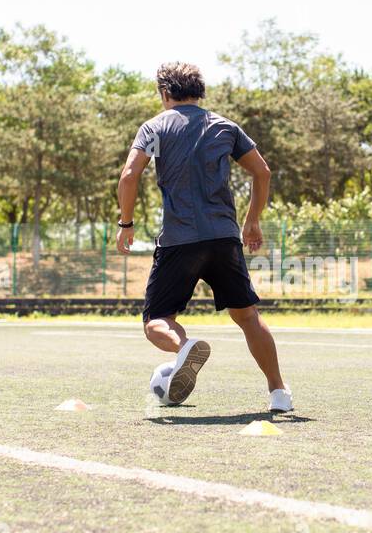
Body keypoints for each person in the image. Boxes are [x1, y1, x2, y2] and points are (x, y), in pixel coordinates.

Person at [115, 61, 292, 413]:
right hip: (224, 237)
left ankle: (184, 348)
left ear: (165, 93)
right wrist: (252, 221)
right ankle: (279, 393)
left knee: (156, 322)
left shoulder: (153, 127)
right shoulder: (225, 126)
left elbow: (129, 175)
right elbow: (262, 171)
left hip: (180, 241)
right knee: (248, 317)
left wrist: (126, 223)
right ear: (200, 92)